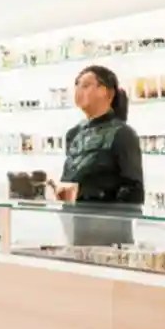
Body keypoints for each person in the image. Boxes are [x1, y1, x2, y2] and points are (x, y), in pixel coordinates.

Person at [54, 65, 144, 246]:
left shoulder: (122, 134)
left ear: (107, 93)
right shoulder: (74, 134)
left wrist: (98, 207)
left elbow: (134, 192)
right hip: (76, 231)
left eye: (86, 85)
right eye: (77, 85)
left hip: (109, 238)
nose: (79, 90)